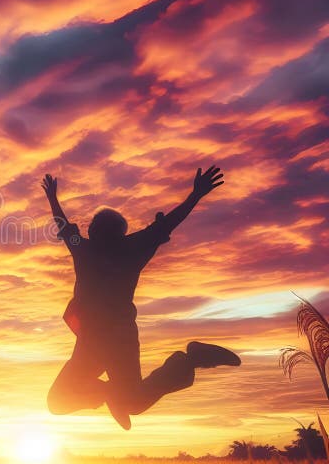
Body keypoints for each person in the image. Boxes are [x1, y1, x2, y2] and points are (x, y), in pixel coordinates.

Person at [41, 166, 240, 430]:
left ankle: (187, 361)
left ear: (97, 231)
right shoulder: (128, 247)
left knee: (63, 401)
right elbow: (168, 223)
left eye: (93, 227)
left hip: (110, 341)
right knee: (110, 402)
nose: (89, 231)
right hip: (101, 341)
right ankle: (173, 368)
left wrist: (52, 198)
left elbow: (65, 227)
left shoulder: (88, 249)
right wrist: (195, 195)